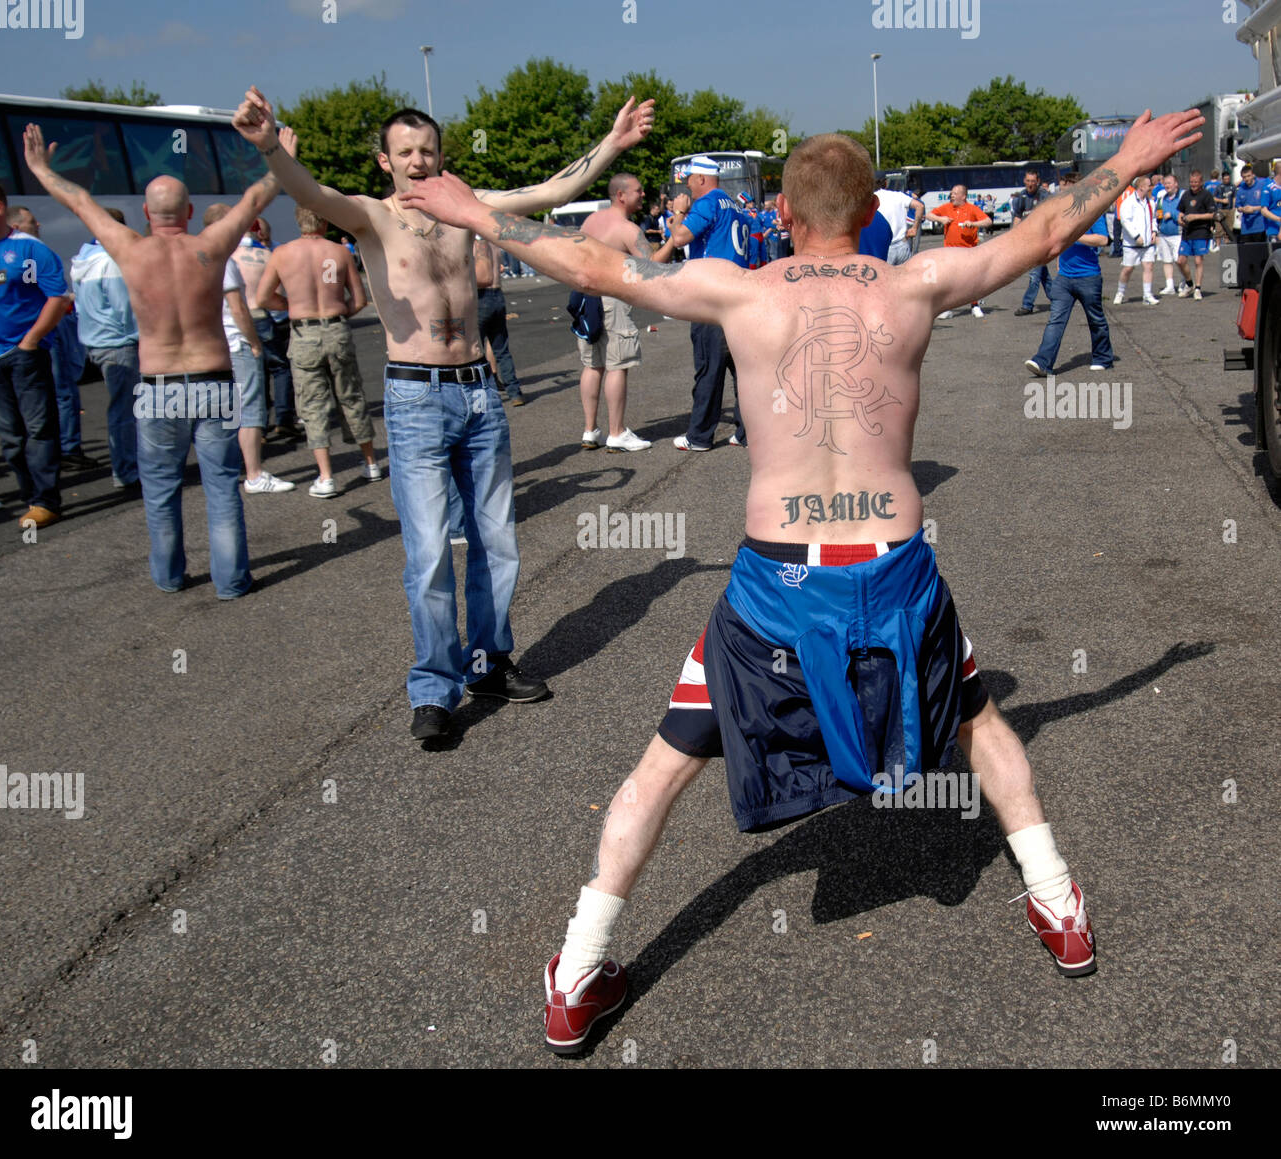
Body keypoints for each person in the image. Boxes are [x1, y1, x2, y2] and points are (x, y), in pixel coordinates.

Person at [408, 106, 1204, 1053]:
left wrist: (471, 210)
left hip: (776, 584)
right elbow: (1045, 229)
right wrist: (1124, 161)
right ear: (870, 210)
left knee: (668, 761)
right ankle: (1058, 902)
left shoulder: (739, 292)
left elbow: (590, 264)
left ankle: (579, 968)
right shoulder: (917, 282)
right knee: (984, 724)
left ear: (781, 212)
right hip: (893, 568)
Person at [233, 85, 655, 741]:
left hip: (479, 391)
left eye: (428, 150)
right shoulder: (372, 216)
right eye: (406, 152)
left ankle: (488, 662)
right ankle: (434, 688)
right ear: (386, 162)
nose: (420, 161)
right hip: (415, 395)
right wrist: (268, 149)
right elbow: (311, 195)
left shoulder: (467, 210)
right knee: (429, 552)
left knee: (498, 544)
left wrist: (612, 141)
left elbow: (547, 191)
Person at [22, 122, 287, 597]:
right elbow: (256, 198)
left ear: (145, 212)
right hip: (214, 380)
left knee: (162, 490)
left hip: (159, 387)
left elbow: (79, 201)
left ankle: (169, 577)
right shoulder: (210, 245)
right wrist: (275, 151)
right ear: (189, 211)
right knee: (222, 487)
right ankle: (231, 582)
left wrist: (40, 168)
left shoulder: (129, 248)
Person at [253, 204, 381, 495]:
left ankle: (326, 476)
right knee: (351, 395)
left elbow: (262, 296)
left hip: (303, 331)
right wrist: (337, 314)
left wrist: (291, 307)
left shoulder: (283, 254)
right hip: (335, 328)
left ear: (299, 222)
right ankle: (370, 462)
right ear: (324, 222)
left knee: (312, 404)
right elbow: (359, 299)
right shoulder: (338, 252)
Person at [0, 181, 68, 526]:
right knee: (10, 435)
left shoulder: (29, 250)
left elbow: (57, 298)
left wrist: (31, 340)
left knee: (38, 429)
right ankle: (29, 494)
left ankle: (44, 500)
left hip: (25, 355)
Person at [655, 157, 749, 451]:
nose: (688, 187)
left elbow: (681, 237)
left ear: (703, 180)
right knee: (741, 369)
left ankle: (699, 436)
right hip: (737, 292)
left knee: (709, 367)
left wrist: (680, 213)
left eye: (691, 180)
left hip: (711, 295)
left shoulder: (707, 203)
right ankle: (747, 431)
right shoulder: (734, 205)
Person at [203, 203, 295, 495]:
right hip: (237, 339)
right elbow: (238, 307)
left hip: (214, 342)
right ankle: (254, 474)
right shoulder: (225, 260)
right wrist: (254, 341)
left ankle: (224, 470)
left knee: (224, 409)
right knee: (250, 406)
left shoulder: (198, 257)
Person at [9, 205, 96, 471]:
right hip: (43, 332)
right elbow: (39, 292)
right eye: (32, 221)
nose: (39, 225)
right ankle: (68, 447)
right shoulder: (29, 254)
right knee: (62, 391)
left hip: (24, 334)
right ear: (17, 227)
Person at [572, 173, 654, 452]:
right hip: (612, 298)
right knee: (617, 365)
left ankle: (589, 430)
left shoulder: (590, 222)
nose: (643, 195)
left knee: (592, 364)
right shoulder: (627, 229)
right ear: (621, 195)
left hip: (585, 298)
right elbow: (651, 270)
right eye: (638, 191)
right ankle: (617, 432)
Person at [69, 206, 140, 489]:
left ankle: (126, 467)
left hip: (95, 342)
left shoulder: (82, 260)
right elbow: (125, 309)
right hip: (120, 342)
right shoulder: (112, 261)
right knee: (125, 410)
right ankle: (126, 471)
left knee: (121, 407)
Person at [1024, 172, 1113, 376]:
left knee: (1096, 319)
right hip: (1064, 278)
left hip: (1089, 276)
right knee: (1055, 319)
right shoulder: (1062, 212)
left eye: (1067, 188)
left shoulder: (1093, 211)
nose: (1063, 192)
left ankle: (1103, 357)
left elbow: (1102, 240)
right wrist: (1057, 261)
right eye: (1062, 188)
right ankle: (1043, 362)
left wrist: (1076, 236)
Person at [473, 233, 526, 406]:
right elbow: (501, 268)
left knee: (474, 351)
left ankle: (480, 396)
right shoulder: (494, 244)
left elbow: (480, 277)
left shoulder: (475, 245)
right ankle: (514, 392)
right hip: (497, 295)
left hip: (480, 297)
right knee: (502, 349)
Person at [929, 185, 991, 318]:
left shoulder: (972, 209)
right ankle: (947, 308)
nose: (952, 195)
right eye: (951, 193)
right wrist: (941, 219)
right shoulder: (946, 207)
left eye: (955, 193)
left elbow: (988, 221)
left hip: (968, 251)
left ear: (963, 196)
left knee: (971, 280)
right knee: (949, 281)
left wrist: (973, 224)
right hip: (950, 251)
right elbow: (929, 215)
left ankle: (974, 305)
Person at [1011, 170, 1051, 315]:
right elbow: (1017, 218)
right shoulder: (1020, 197)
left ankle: (1027, 305)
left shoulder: (1045, 196)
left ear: (1038, 181)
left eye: (1033, 181)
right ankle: (1057, 299)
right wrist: (1013, 237)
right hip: (1028, 240)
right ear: (1024, 181)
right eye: (1028, 181)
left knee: (1035, 274)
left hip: (1041, 240)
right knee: (1043, 274)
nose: (1030, 184)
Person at [1114, 175, 1159, 306]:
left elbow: (1153, 219)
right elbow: (1125, 221)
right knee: (1128, 269)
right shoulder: (1128, 202)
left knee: (1148, 266)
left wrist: (1154, 232)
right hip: (1132, 244)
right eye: (1148, 184)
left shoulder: (1151, 203)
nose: (1150, 187)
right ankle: (1120, 292)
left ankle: (1147, 294)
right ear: (1141, 187)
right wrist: (1136, 236)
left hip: (1148, 243)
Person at [1176, 169, 1216, 300]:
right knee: (1180, 261)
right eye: (1191, 182)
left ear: (1201, 182)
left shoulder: (1206, 195)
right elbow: (1180, 211)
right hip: (1187, 232)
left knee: (1198, 260)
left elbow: (1212, 214)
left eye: (1196, 182)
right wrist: (1180, 219)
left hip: (1201, 231)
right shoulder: (1186, 195)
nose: (1193, 184)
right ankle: (1189, 284)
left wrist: (1195, 217)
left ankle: (1198, 288)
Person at [873, 180, 925, 266]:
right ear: (886, 183)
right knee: (904, 277)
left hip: (885, 246)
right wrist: (914, 228)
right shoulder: (898, 195)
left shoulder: (873, 198)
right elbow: (920, 206)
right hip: (902, 245)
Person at [1153, 174, 1188, 296]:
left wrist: (1172, 214)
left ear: (1176, 184)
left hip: (1178, 234)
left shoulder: (1183, 195)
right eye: (1165, 183)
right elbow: (1157, 211)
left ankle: (1185, 283)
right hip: (1163, 234)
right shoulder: (1162, 198)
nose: (1167, 185)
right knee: (1166, 260)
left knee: (1179, 260)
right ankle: (1169, 286)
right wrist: (1158, 216)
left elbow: (1185, 211)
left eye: (1169, 183)